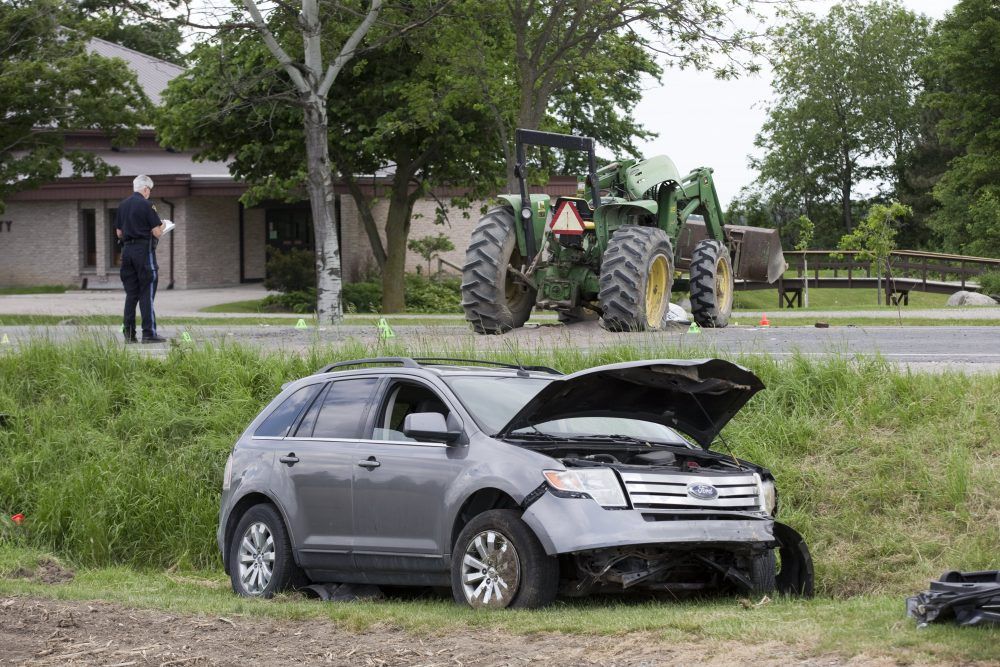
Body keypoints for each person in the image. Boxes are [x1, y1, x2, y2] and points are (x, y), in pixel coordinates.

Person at [116, 175, 167, 343]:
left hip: (127, 252)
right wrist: (164, 225)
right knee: (147, 291)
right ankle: (149, 333)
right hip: (143, 252)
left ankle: (129, 335)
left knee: (131, 295)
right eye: (149, 191)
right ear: (145, 189)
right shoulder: (147, 205)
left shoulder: (122, 205)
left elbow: (119, 233)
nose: (149, 193)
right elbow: (157, 232)